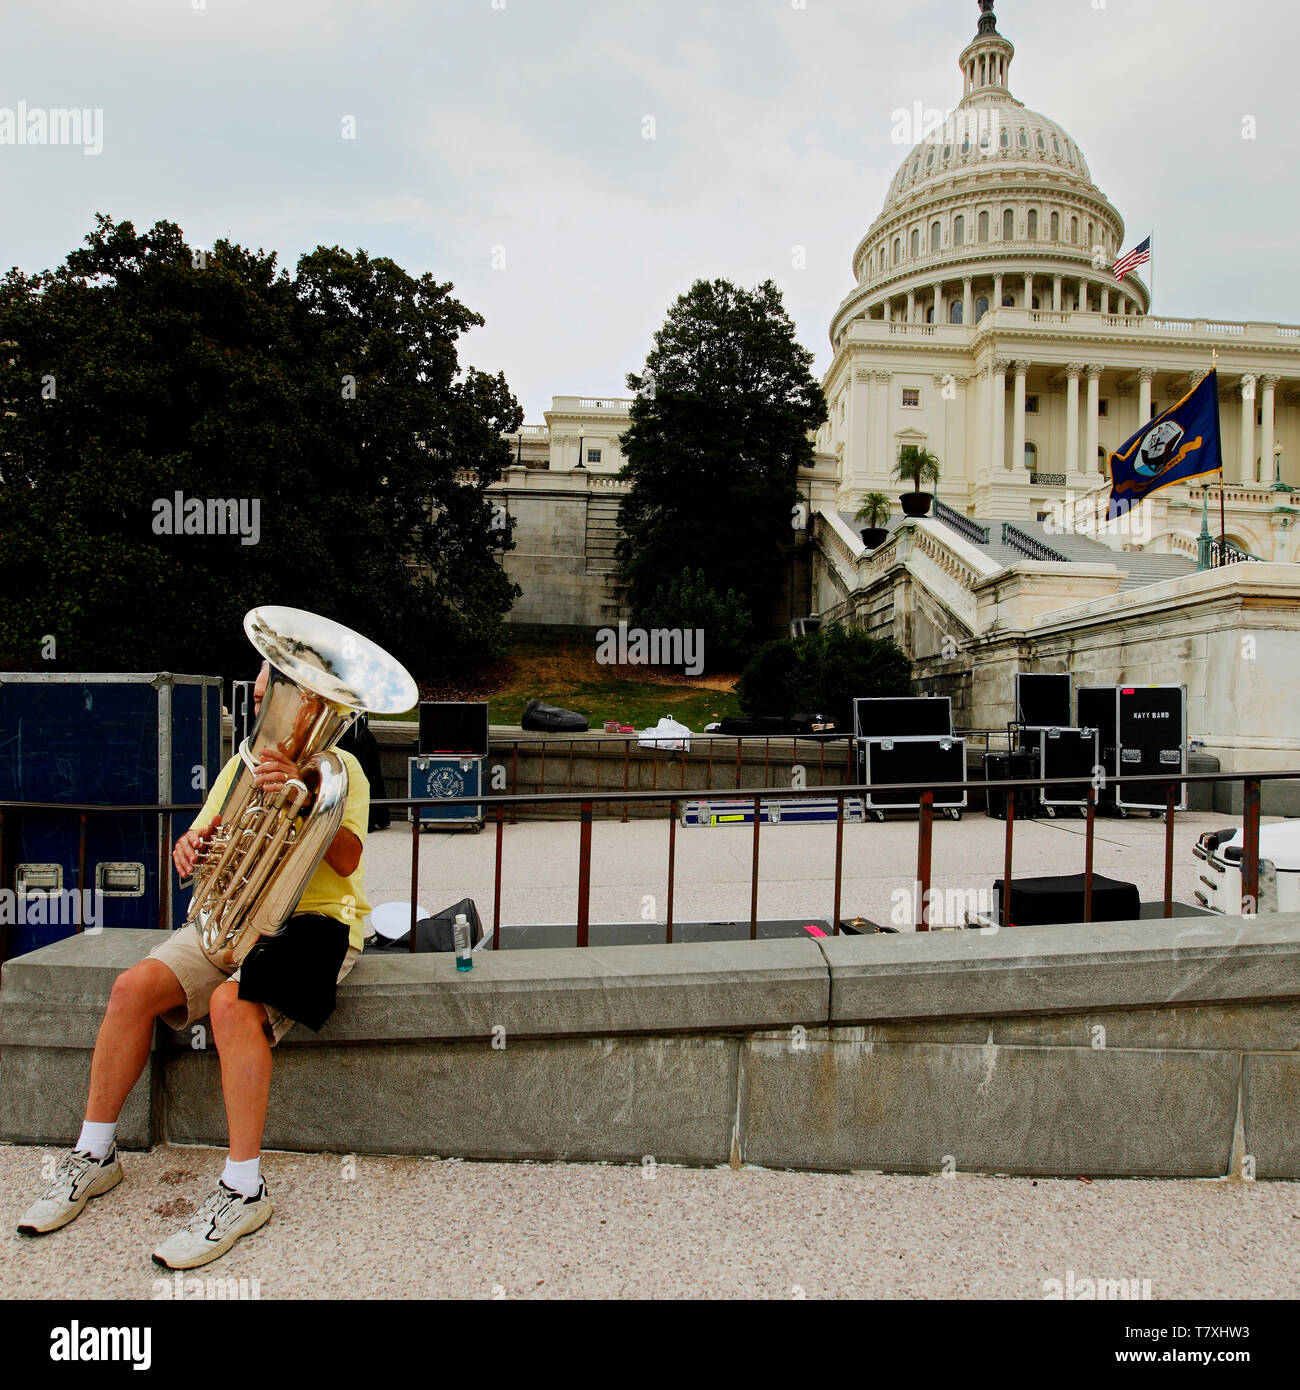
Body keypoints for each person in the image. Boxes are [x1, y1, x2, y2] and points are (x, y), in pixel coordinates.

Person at [16, 660, 371, 1269]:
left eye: (280, 696)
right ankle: (95, 1155)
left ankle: (243, 1188)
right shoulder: (238, 768)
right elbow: (203, 844)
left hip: (316, 919)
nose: (266, 708)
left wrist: (305, 793)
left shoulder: (341, 770)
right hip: (234, 915)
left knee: (233, 1007)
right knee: (131, 989)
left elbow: (346, 857)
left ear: (312, 707)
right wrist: (190, 848)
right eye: (266, 694)